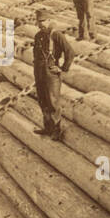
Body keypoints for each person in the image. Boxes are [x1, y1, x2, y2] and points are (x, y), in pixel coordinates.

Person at [31, 8, 76, 140]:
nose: (40, 24)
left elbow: (70, 52)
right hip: (39, 71)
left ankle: (57, 130)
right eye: (38, 22)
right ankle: (48, 127)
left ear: (49, 20)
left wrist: (62, 68)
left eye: (43, 21)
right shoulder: (38, 36)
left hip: (50, 72)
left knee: (53, 101)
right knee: (42, 99)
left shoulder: (56, 35)